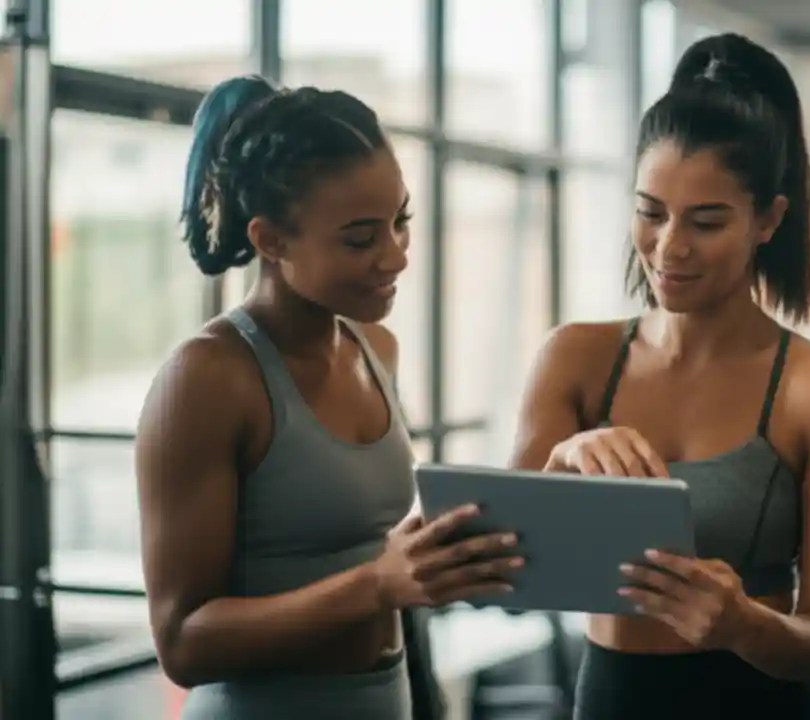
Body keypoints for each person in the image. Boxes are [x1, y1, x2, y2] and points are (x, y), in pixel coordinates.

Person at [135, 76, 523, 720]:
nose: (395, 256)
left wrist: (439, 560)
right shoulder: (207, 379)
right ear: (271, 241)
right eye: (360, 238)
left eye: (401, 221)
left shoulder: (376, 348)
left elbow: (363, 548)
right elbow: (182, 642)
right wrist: (376, 585)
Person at [509, 33, 810, 719]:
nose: (669, 246)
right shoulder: (575, 359)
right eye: (650, 212)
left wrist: (743, 623)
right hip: (613, 699)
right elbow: (507, 570)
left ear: (768, 219)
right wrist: (564, 458)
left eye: (706, 222)